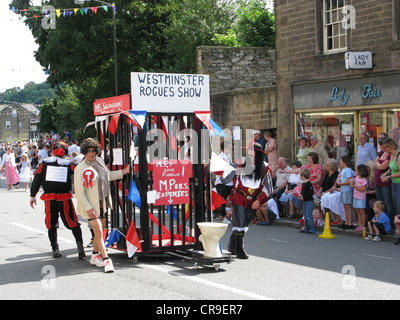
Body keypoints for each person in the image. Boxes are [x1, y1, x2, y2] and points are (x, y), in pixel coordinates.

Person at [74, 138, 130, 273]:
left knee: (101, 231)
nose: (91, 154)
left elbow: (108, 175)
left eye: (93, 151)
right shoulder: (80, 168)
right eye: (88, 151)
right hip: (90, 204)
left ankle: (94, 255)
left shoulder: (100, 161)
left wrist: (123, 172)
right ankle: (106, 259)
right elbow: (79, 192)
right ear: (84, 152)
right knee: (98, 231)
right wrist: (89, 208)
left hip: (103, 202)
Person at [30, 141, 85, 259]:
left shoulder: (44, 164)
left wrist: (32, 195)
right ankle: (80, 247)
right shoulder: (68, 164)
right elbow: (79, 174)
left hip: (50, 198)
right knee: (72, 222)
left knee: (51, 223)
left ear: (52, 151)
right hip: (64, 197)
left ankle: (55, 249)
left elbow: (37, 179)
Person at [227, 142, 272, 259]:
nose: (249, 154)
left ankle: (232, 245)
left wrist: (259, 201)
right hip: (239, 197)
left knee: (245, 224)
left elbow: (269, 189)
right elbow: (226, 176)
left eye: (252, 152)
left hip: (254, 200)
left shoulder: (265, 168)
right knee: (239, 223)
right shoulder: (240, 163)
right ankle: (239, 249)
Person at [373, 137, 395, 228]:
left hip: (385, 182)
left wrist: (378, 165)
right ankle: (380, 221)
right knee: (379, 203)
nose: (381, 147)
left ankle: (389, 222)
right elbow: (375, 164)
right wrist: (378, 165)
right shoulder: (381, 152)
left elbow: (382, 167)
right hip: (378, 180)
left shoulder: (390, 154)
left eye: (382, 146)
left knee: (387, 202)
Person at [381, 138, 400, 227]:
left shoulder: (398, 155)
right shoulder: (392, 155)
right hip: (394, 183)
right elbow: (392, 168)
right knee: (396, 204)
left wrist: (389, 177)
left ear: (390, 146)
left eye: (385, 147)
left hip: (399, 183)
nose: (385, 149)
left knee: (399, 205)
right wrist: (386, 173)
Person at [214, 141, 234, 218]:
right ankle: (223, 216)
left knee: (232, 199)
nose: (231, 148)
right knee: (223, 200)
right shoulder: (220, 157)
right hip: (222, 182)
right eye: (229, 146)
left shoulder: (228, 156)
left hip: (230, 182)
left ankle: (229, 215)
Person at [337, 155, 354, 230]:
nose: (340, 163)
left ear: (344, 162)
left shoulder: (348, 170)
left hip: (347, 189)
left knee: (347, 207)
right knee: (345, 206)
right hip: (344, 189)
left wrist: (340, 184)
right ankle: (346, 222)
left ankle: (349, 222)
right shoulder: (344, 170)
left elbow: (349, 181)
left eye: (341, 161)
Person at [351, 164, 369, 232]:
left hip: (361, 197)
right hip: (356, 196)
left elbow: (363, 189)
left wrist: (355, 186)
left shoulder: (364, 180)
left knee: (361, 211)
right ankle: (360, 224)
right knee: (358, 211)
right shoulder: (356, 178)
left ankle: (363, 225)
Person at [298, 168, 315, 234]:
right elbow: (303, 191)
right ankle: (306, 228)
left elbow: (311, 193)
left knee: (309, 215)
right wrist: (301, 194)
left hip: (309, 201)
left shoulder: (308, 183)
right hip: (305, 201)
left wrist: (304, 197)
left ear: (302, 175)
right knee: (305, 215)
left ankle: (311, 229)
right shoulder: (304, 183)